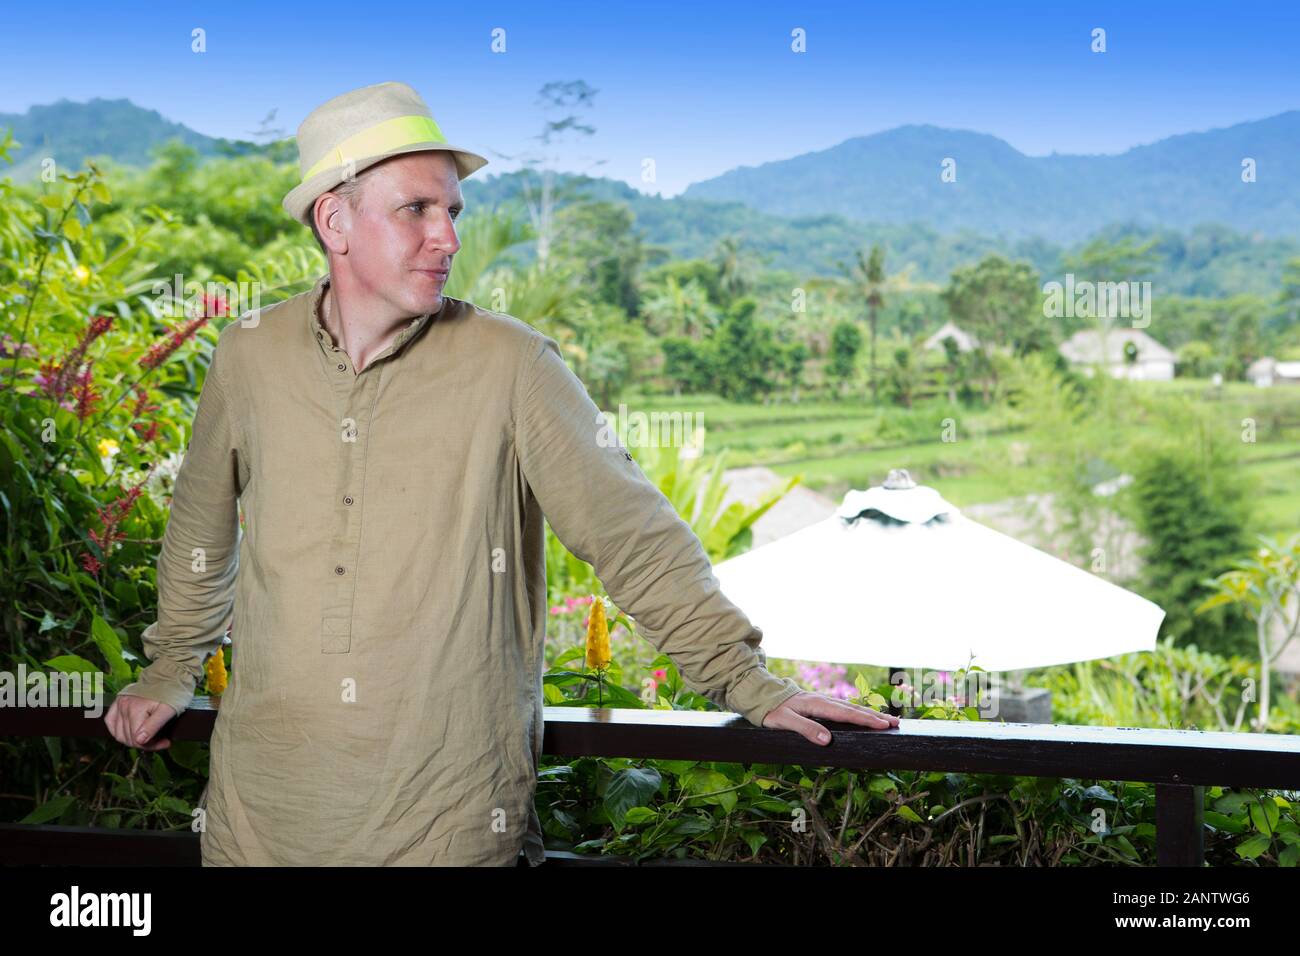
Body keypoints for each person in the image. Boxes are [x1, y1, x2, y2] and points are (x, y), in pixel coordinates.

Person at [103, 80, 898, 866]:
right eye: (417, 209)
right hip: (260, 816)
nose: (447, 237)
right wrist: (172, 668)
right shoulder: (248, 354)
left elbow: (632, 538)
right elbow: (198, 534)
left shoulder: (512, 364)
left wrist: (747, 682)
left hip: (447, 818)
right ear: (335, 221)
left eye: (453, 211)